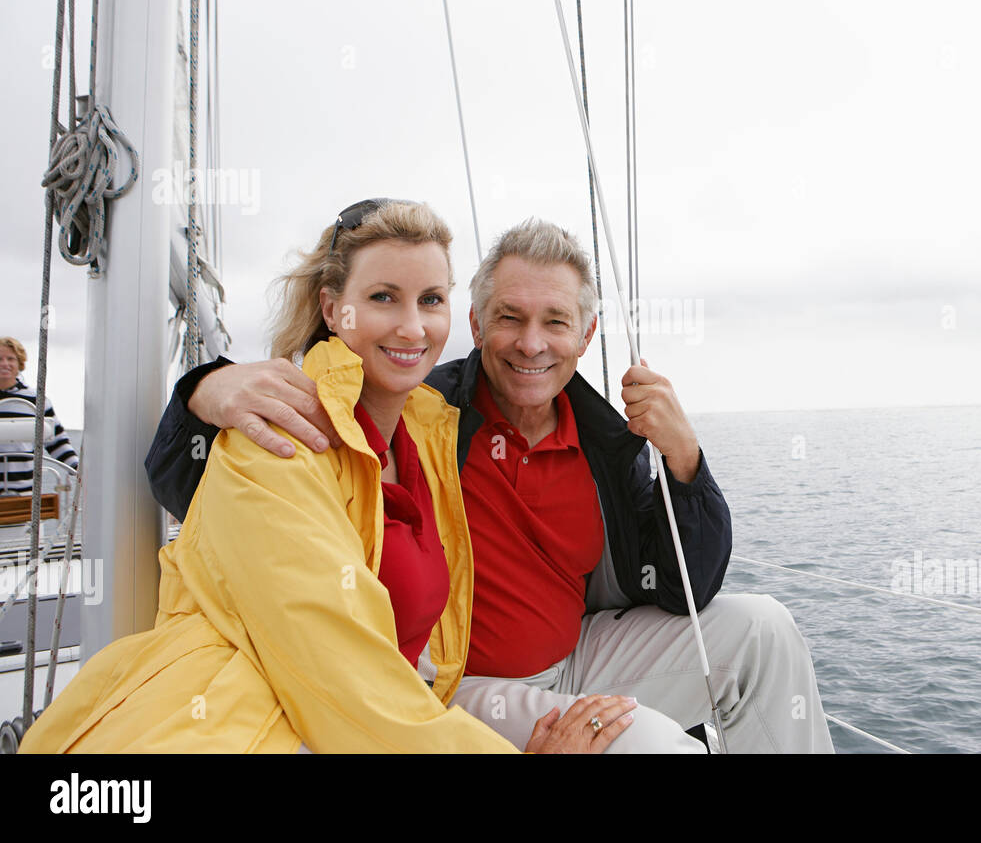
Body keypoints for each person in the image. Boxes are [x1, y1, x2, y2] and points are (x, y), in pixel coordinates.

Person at [145, 218, 834, 753]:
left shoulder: (604, 439)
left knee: (764, 629)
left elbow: (690, 586)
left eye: (554, 321)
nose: (531, 343)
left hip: (579, 656)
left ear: (585, 334)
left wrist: (685, 463)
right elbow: (206, 490)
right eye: (509, 317)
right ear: (475, 325)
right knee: (648, 746)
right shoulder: (426, 415)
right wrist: (204, 390)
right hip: (465, 687)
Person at [20, 200, 633, 753]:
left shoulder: (433, 431)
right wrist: (200, 392)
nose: (413, 327)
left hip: (360, 722)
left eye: (430, 300)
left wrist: (682, 460)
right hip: (229, 729)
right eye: (383, 297)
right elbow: (341, 673)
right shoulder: (278, 438)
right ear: (332, 308)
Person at [0, 336, 79, 495]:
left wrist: (78, 469)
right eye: (0, 359)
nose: (5, 364)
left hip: (24, 495)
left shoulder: (37, 400)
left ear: (19, 363)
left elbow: (57, 441)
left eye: (11, 359)